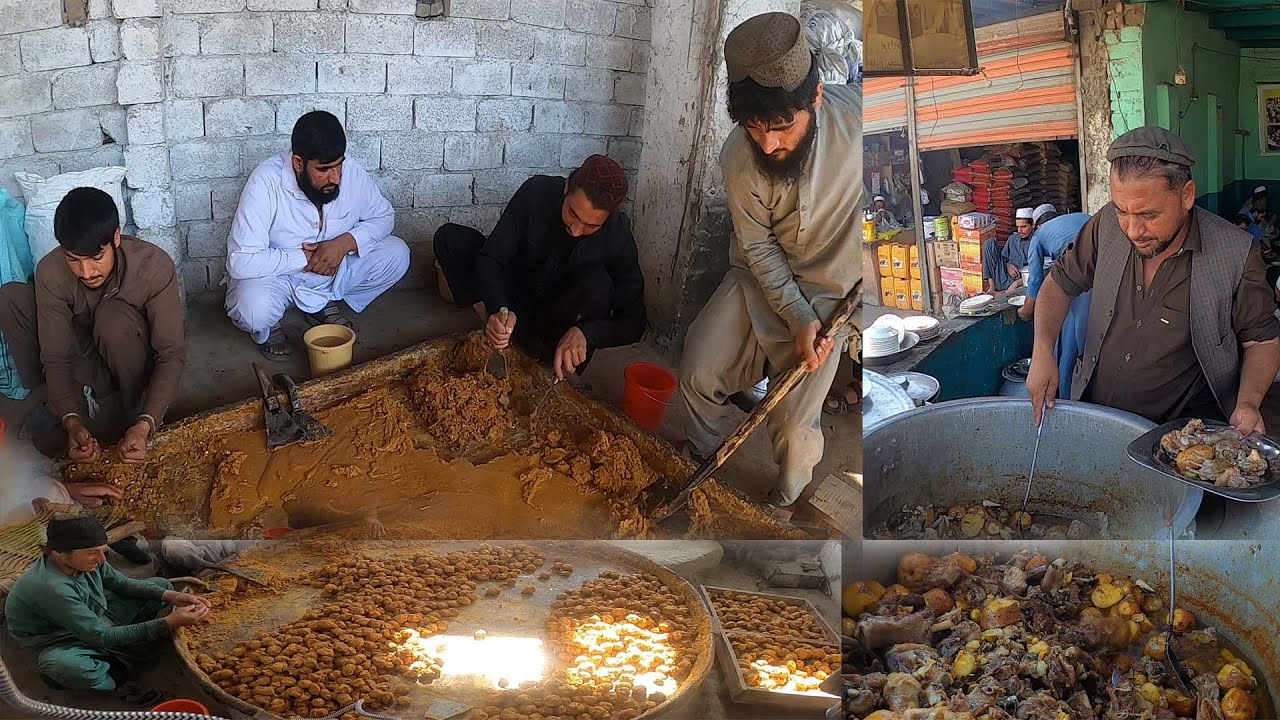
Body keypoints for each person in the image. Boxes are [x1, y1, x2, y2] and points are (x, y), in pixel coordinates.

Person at [677, 12, 858, 517]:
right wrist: (793, 315)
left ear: (815, 98)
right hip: (758, 279)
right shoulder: (740, 156)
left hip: (830, 296)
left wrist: (819, 319)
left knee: (795, 422)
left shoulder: (862, 124)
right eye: (754, 127)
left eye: (782, 126)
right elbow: (757, 250)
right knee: (696, 366)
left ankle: (781, 501)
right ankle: (706, 461)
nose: (769, 144)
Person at [1027, 127, 1280, 432]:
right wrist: (1042, 349)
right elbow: (1058, 285)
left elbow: (1262, 341)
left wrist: (1249, 402)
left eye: (1149, 215)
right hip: (1100, 421)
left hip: (1181, 440)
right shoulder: (1105, 225)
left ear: (1186, 195)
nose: (1133, 230)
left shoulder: (1235, 254)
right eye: (1122, 210)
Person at [0, 188, 184, 465]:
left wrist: (147, 421)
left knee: (113, 318)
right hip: (83, 357)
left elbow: (171, 353)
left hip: (126, 353)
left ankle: (133, 406)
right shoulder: (51, 271)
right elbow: (55, 355)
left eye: (96, 258)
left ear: (116, 238)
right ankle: (57, 400)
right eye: (74, 259)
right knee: (12, 296)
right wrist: (71, 421)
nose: (86, 272)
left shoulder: (153, 266)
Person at [433, 154, 645, 380]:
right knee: (450, 239)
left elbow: (634, 322)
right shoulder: (537, 192)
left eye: (591, 226)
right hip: (516, 299)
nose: (576, 229)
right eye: (573, 213)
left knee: (598, 284)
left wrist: (588, 333)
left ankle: (548, 364)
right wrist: (500, 308)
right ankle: (497, 327)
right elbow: (492, 257)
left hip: (556, 323)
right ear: (566, 187)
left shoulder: (618, 236)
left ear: (608, 219)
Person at [224, 111, 409, 359]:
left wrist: (344, 244)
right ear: (298, 163)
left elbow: (384, 216)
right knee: (253, 310)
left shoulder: (351, 172)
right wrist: (307, 258)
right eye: (323, 170)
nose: (334, 177)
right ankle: (272, 326)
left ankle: (321, 305)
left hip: (332, 274)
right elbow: (241, 261)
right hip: (279, 279)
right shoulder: (265, 181)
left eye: (338, 165)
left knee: (397, 254)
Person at [5, 515, 210, 698]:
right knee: (64, 666)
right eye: (92, 552)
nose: (102, 559)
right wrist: (167, 623)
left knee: (160, 586)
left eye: (103, 551)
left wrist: (171, 595)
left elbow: (122, 584)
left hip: (95, 618)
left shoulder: (86, 562)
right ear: (57, 553)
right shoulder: (51, 587)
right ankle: (119, 676)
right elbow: (98, 636)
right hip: (62, 638)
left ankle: (128, 645)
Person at [1018, 207, 1091, 398]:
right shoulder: (1074, 219)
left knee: (1082, 351)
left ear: (1035, 225)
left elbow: (1034, 281)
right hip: (1110, 272)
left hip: (1087, 277)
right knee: (1072, 333)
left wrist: (1026, 312)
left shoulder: (1038, 236)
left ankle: (1068, 402)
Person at [981, 222, 1020, 296]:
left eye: (1024, 227)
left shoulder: (1034, 242)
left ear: (1032, 225)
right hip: (1004, 279)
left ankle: (1003, 294)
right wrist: (1007, 265)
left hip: (1021, 283)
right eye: (1018, 227)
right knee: (989, 244)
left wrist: (1017, 283)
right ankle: (992, 288)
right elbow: (1003, 258)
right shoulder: (1013, 239)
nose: (1020, 230)